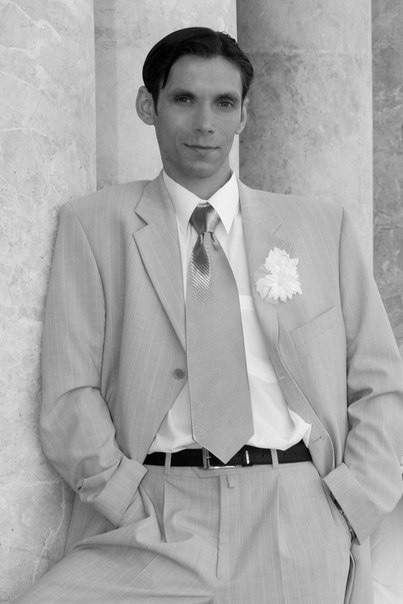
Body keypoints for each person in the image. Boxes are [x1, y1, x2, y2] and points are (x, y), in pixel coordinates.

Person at [16, 27, 403, 604]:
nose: (205, 123)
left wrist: (353, 503)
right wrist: (125, 499)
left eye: (224, 103)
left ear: (244, 114)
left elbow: (379, 382)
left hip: (296, 514)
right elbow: (70, 389)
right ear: (147, 105)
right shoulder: (95, 224)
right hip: (156, 514)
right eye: (184, 99)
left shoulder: (322, 227)